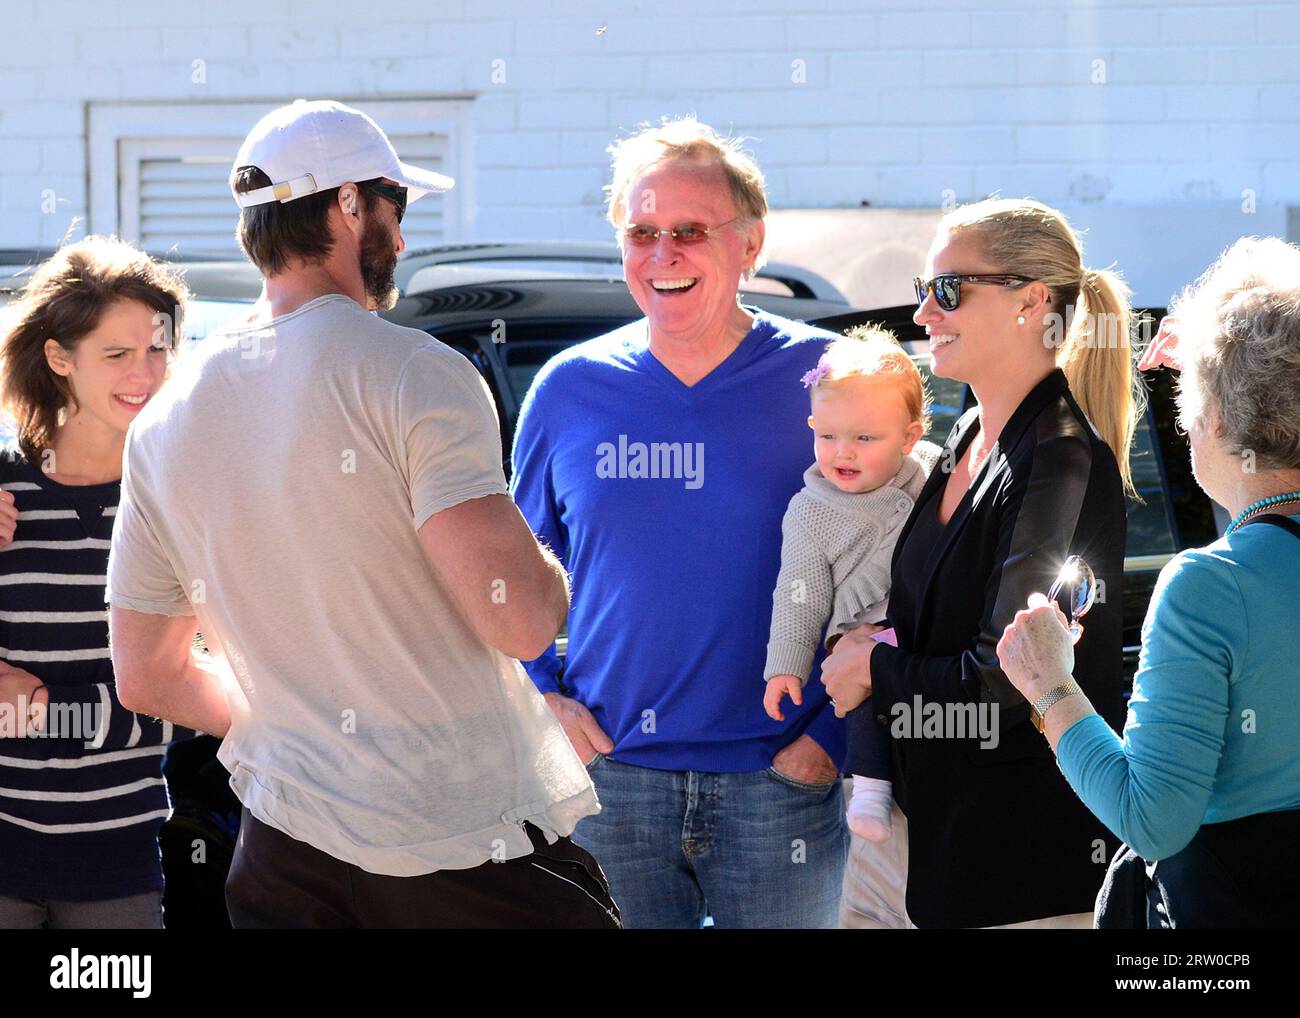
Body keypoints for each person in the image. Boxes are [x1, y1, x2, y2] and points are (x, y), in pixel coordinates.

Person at [105, 99, 619, 929]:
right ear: (348, 204)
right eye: (396, 207)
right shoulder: (415, 371)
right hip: (458, 845)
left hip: (281, 854)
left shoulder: (166, 417)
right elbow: (520, 619)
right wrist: (556, 574)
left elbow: (148, 673)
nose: (404, 240)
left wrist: (304, 727)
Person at [511, 117, 848, 928]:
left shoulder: (830, 377)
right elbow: (504, 579)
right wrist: (541, 701)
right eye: (642, 232)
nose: (662, 255)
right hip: (611, 786)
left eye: (689, 232)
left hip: (782, 785)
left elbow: (902, 567)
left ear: (750, 242)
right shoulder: (568, 389)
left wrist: (829, 739)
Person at [823, 197, 1138, 929]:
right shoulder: (968, 432)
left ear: (1032, 301)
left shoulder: (1059, 455)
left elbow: (1007, 683)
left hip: (1013, 870)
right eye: (923, 291)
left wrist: (873, 671)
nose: (926, 314)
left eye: (948, 290)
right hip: (915, 836)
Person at [998, 236, 1300, 928]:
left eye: (1189, 405)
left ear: (1215, 418)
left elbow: (1151, 819)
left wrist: (1050, 688)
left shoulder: (1210, 586)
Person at [0, 237, 193, 929]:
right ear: (59, 358)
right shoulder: (3, 488)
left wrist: (47, 710)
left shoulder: (181, 500)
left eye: (158, 349)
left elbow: (199, 689)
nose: (144, 374)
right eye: (117, 353)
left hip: (119, 875)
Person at [763, 327, 940, 843]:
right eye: (829, 436)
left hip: (926, 626)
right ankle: (869, 787)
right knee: (862, 690)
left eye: (865, 438)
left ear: (909, 437)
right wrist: (786, 667)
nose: (844, 452)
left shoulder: (930, 471)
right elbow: (798, 593)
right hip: (860, 628)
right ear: (813, 426)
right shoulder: (811, 511)